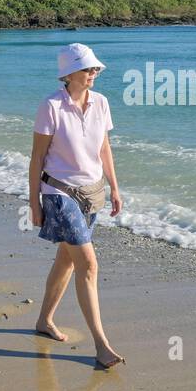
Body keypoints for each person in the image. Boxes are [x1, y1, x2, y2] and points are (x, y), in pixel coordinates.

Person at [28, 43, 126, 371]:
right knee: (88, 264)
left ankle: (44, 320)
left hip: (93, 192)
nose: (93, 73)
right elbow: (37, 158)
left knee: (67, 262)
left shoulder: (101, 103)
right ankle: (102, 345)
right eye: (87, 69)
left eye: (95, 68)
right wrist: (34, 203)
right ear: (69, 74)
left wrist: (114, 187)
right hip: (59, 193)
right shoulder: (51, 106)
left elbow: (104, 148)